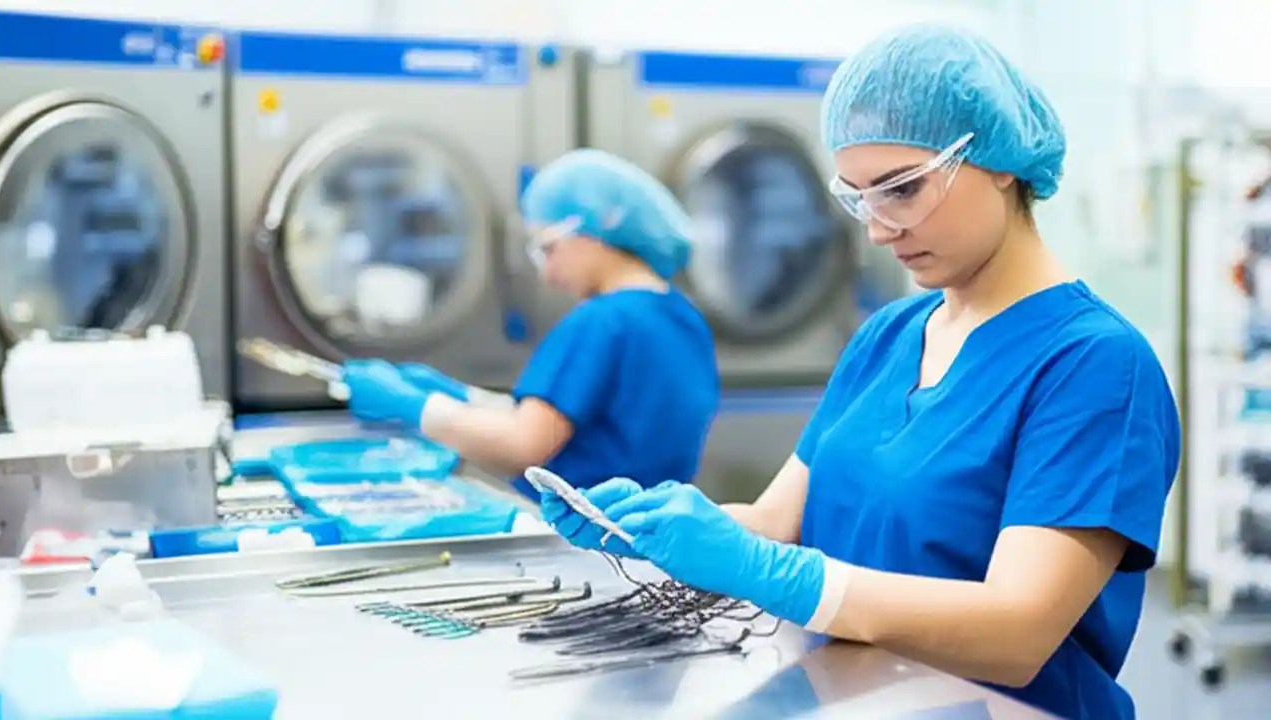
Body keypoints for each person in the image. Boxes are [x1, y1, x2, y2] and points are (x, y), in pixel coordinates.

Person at [541, 24, 1180, 720]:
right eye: (859, 198)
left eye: (901, 190)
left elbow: (1018, 630)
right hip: (851, 698)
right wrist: (663, 530)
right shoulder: (888, 338)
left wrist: (779, 576)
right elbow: (777, 522)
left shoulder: (1094, 365)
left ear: (1001, 160)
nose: (878, 230)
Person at [342, 148, 721, 502]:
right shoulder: (679, 315)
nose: (548, 275)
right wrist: (465, 399)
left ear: (599, 226)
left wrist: (417, 407)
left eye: (548, 248)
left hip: (585, 537)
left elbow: (523, 446)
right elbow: (593, 422)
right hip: (651, 533)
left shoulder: (604, 321)